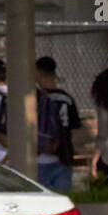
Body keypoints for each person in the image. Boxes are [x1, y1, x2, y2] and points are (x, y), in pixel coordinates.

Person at [35, 56, 81, 192]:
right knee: (62, 200)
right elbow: (74, 128)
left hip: (41, 157)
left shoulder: (38, 98)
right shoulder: (67, 98)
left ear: (38, 72)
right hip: (64, 156)